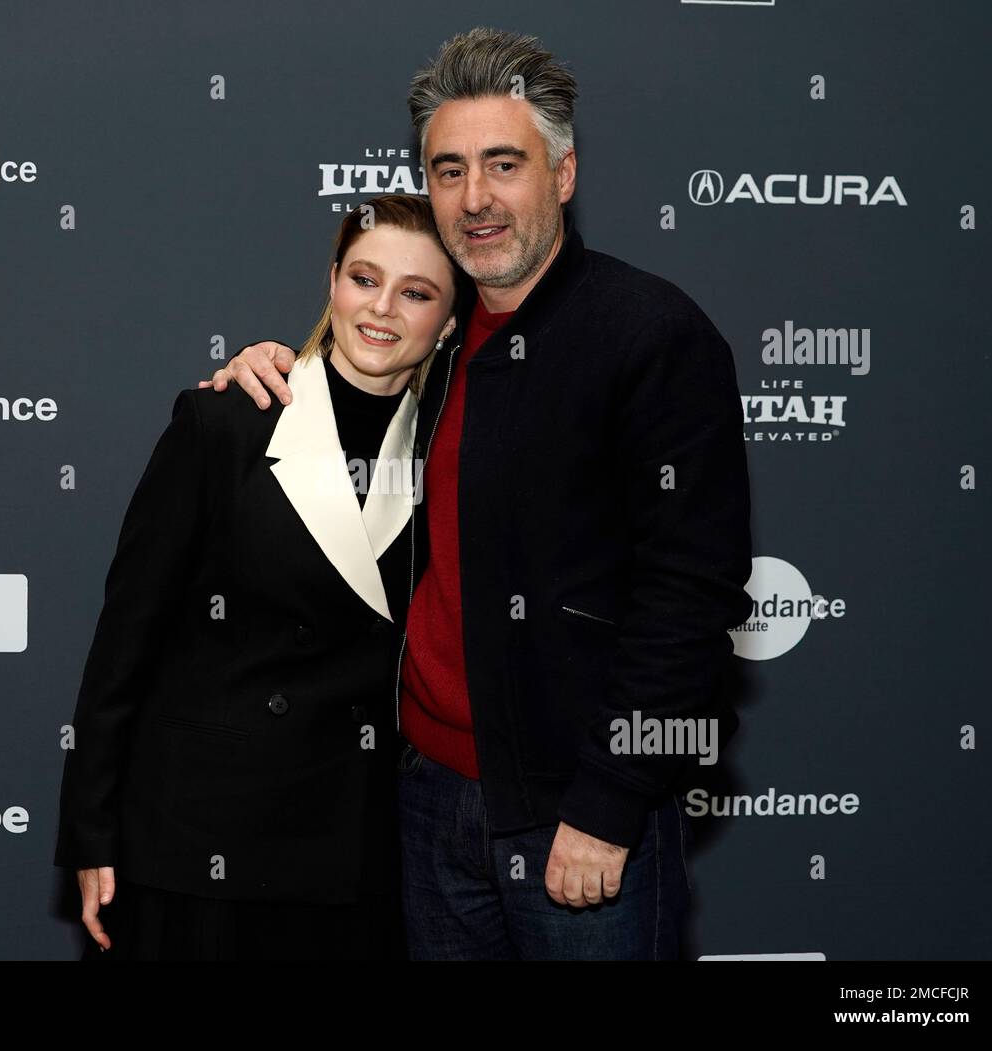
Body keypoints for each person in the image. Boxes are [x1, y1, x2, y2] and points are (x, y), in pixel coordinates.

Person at [206, 27, 753, 960]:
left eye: (505, 164)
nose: (475, 198)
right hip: (425, 800)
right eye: (448, 170)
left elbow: (692, 596)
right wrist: (269, 371)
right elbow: (346, 377)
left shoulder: (648, 333)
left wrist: (610, 806)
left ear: (565, 174)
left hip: (573, 817)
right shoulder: (439, 333)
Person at [53, 193, 473, 960]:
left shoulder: (449, 453)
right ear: (332, 281)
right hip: (200, 841)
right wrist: (91, 830)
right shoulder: (226, 423)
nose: (381, 308)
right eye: (363, 278)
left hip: (352, 853)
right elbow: (123, 644)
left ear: (448, 323)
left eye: (416, 292)